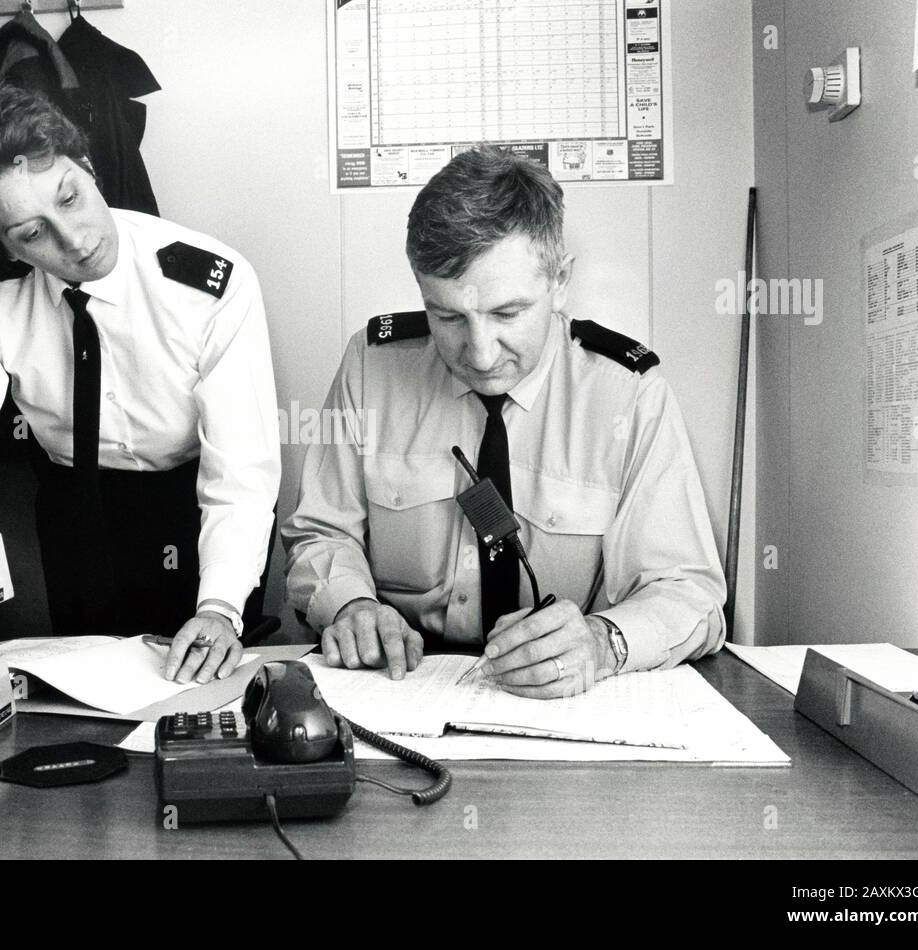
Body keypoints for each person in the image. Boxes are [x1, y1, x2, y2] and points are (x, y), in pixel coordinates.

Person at [0, 78, 280, 685]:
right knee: (87, 699)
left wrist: (221, 607)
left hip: (196, 505)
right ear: (5, 249)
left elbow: (241, 467)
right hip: (78, 509)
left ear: (90, 168)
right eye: (31, 233)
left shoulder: (209, 282)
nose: (73, 239)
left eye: (69, 198)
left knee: (204, 693)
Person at [281, 145, 725, 698]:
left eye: (508, 314)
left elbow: (689, 593)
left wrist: (602, 642)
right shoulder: (372, 369)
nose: (481, 353)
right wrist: (351, 604)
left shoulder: (629, 397)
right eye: (448, 317)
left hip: (569, 702)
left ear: (560, 282)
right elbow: (321, 532)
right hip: (400, 689)